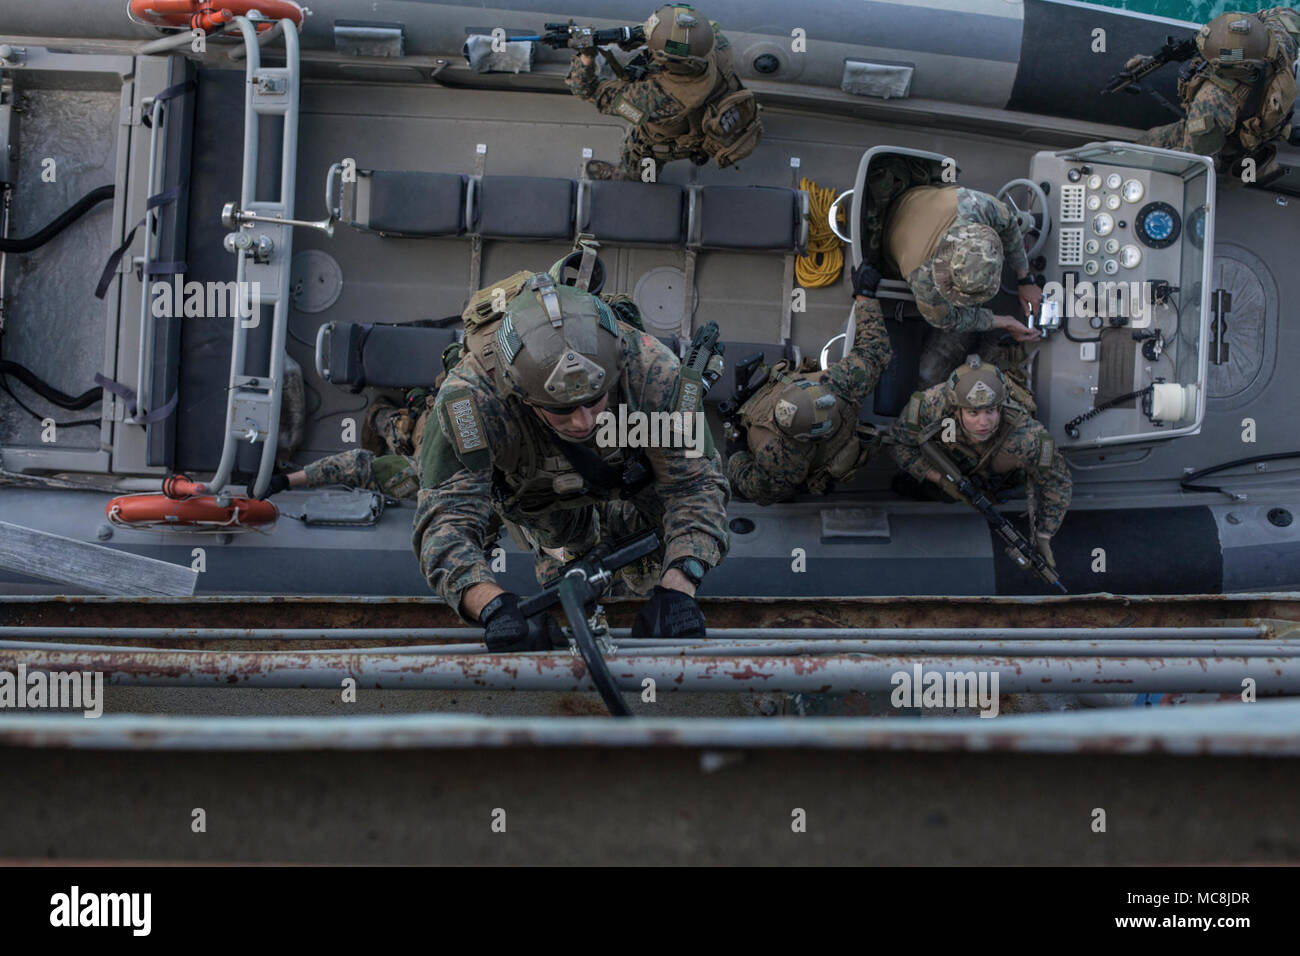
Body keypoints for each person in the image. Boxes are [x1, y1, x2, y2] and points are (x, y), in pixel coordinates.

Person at [412, 270, 730, 651]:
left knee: (650, 564)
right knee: (565, 548)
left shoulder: (652, 368)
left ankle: (625, 535)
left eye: (594, 401)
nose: (584, 421)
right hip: (538, 493)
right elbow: (447, 520)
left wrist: (680, 586)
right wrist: (493, 605)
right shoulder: (470, 401)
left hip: (625, 472)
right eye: (561, 410)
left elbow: (695, 485)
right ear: (522, 395)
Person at [726, 262, 893, 504]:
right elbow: (874, 350)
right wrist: (865, 297)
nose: (773, 418)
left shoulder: (783, 459)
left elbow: (758, 490)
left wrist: (737, 453)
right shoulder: (839, 383)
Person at [888, 356, 1071, 570]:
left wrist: (1043, 535)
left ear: (1000, 408)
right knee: (907, 486)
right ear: (956, 410)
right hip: (950, 470)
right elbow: (899, 443)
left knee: (1009, 490)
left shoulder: (1028, 437)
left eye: (990, 411)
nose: (983, 423)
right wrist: (941, 480)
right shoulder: (930, 405)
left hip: (999, 478)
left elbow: (1057, 483)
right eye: (973, 413)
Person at [566, 3, 761, 181]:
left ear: (671, 61)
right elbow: (682, 40)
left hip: (672, 139)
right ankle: (695, 153)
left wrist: (585, 56)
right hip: (708, 116)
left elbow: (586, 90)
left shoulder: (656, 98)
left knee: (642, 155)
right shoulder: (716, 42)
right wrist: (632, 35)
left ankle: (635, 176)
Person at [882, 183, 1042, 387]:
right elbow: (948, 320)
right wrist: (1003, 321)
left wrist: (1024, 279)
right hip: (891, 238)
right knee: (927, 375)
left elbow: (1009, 223)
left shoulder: (978, 207)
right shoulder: (923, 280)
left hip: (915, 198)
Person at [1134, 8, 1300, 177]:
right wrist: (1241, 34)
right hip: (1267, 127)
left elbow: (1200, 164)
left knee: (1151, 142)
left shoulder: (1211, 101)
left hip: (1236, 147)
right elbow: (1283, 16)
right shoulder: (1282, 43)